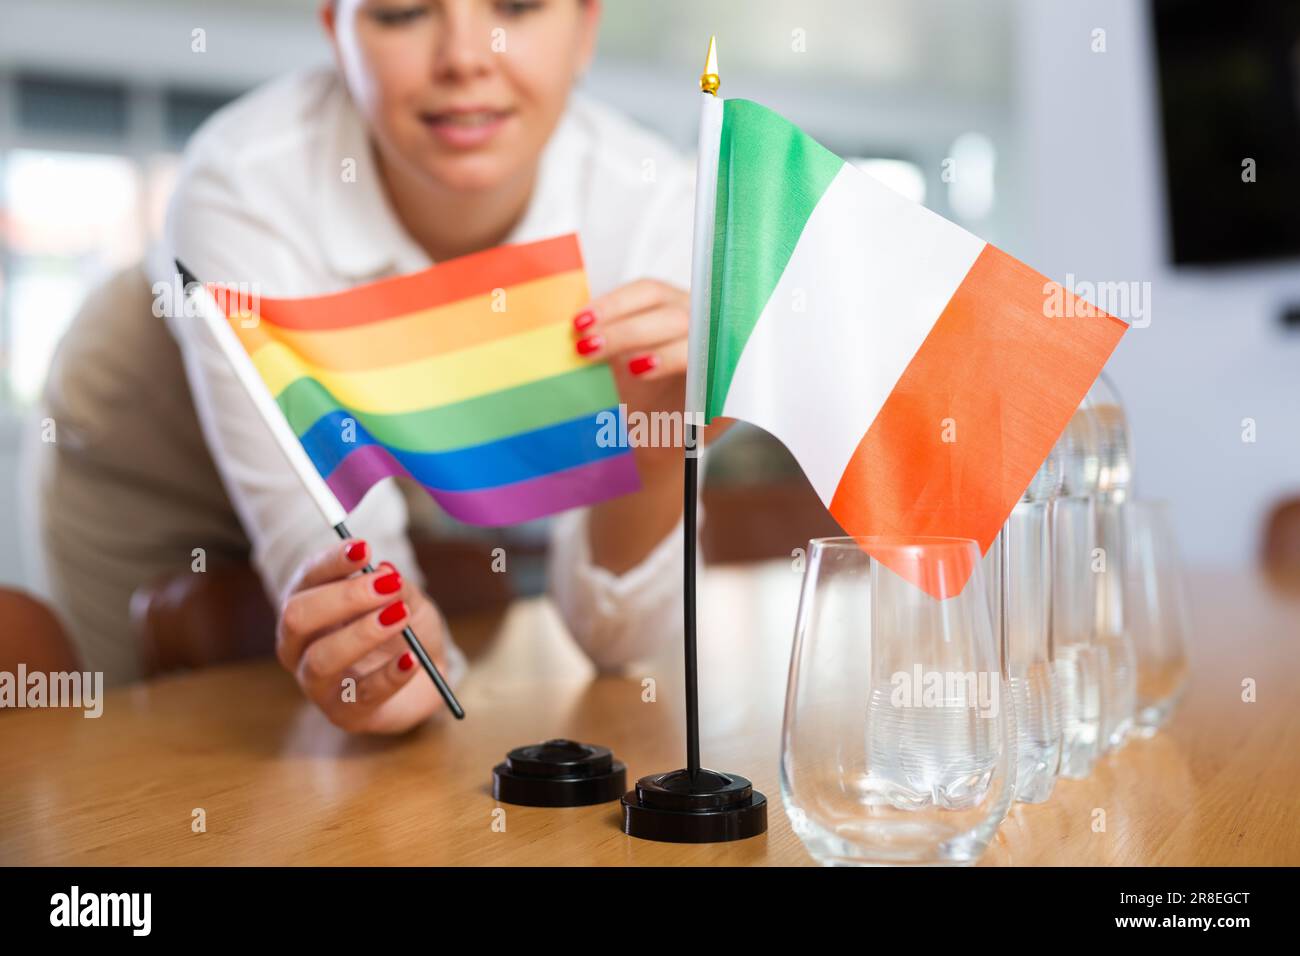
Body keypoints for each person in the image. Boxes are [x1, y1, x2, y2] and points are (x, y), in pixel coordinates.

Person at [157, 0, 705, 732]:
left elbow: (620, 646)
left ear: (586, 28)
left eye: (516, 6)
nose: (466, 58)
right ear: (335, 32)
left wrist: (660, 452)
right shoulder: (246, 184)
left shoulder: (654, 205)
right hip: (162, 442)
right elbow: (334, 558)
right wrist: (383, 661)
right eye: (403, 11)